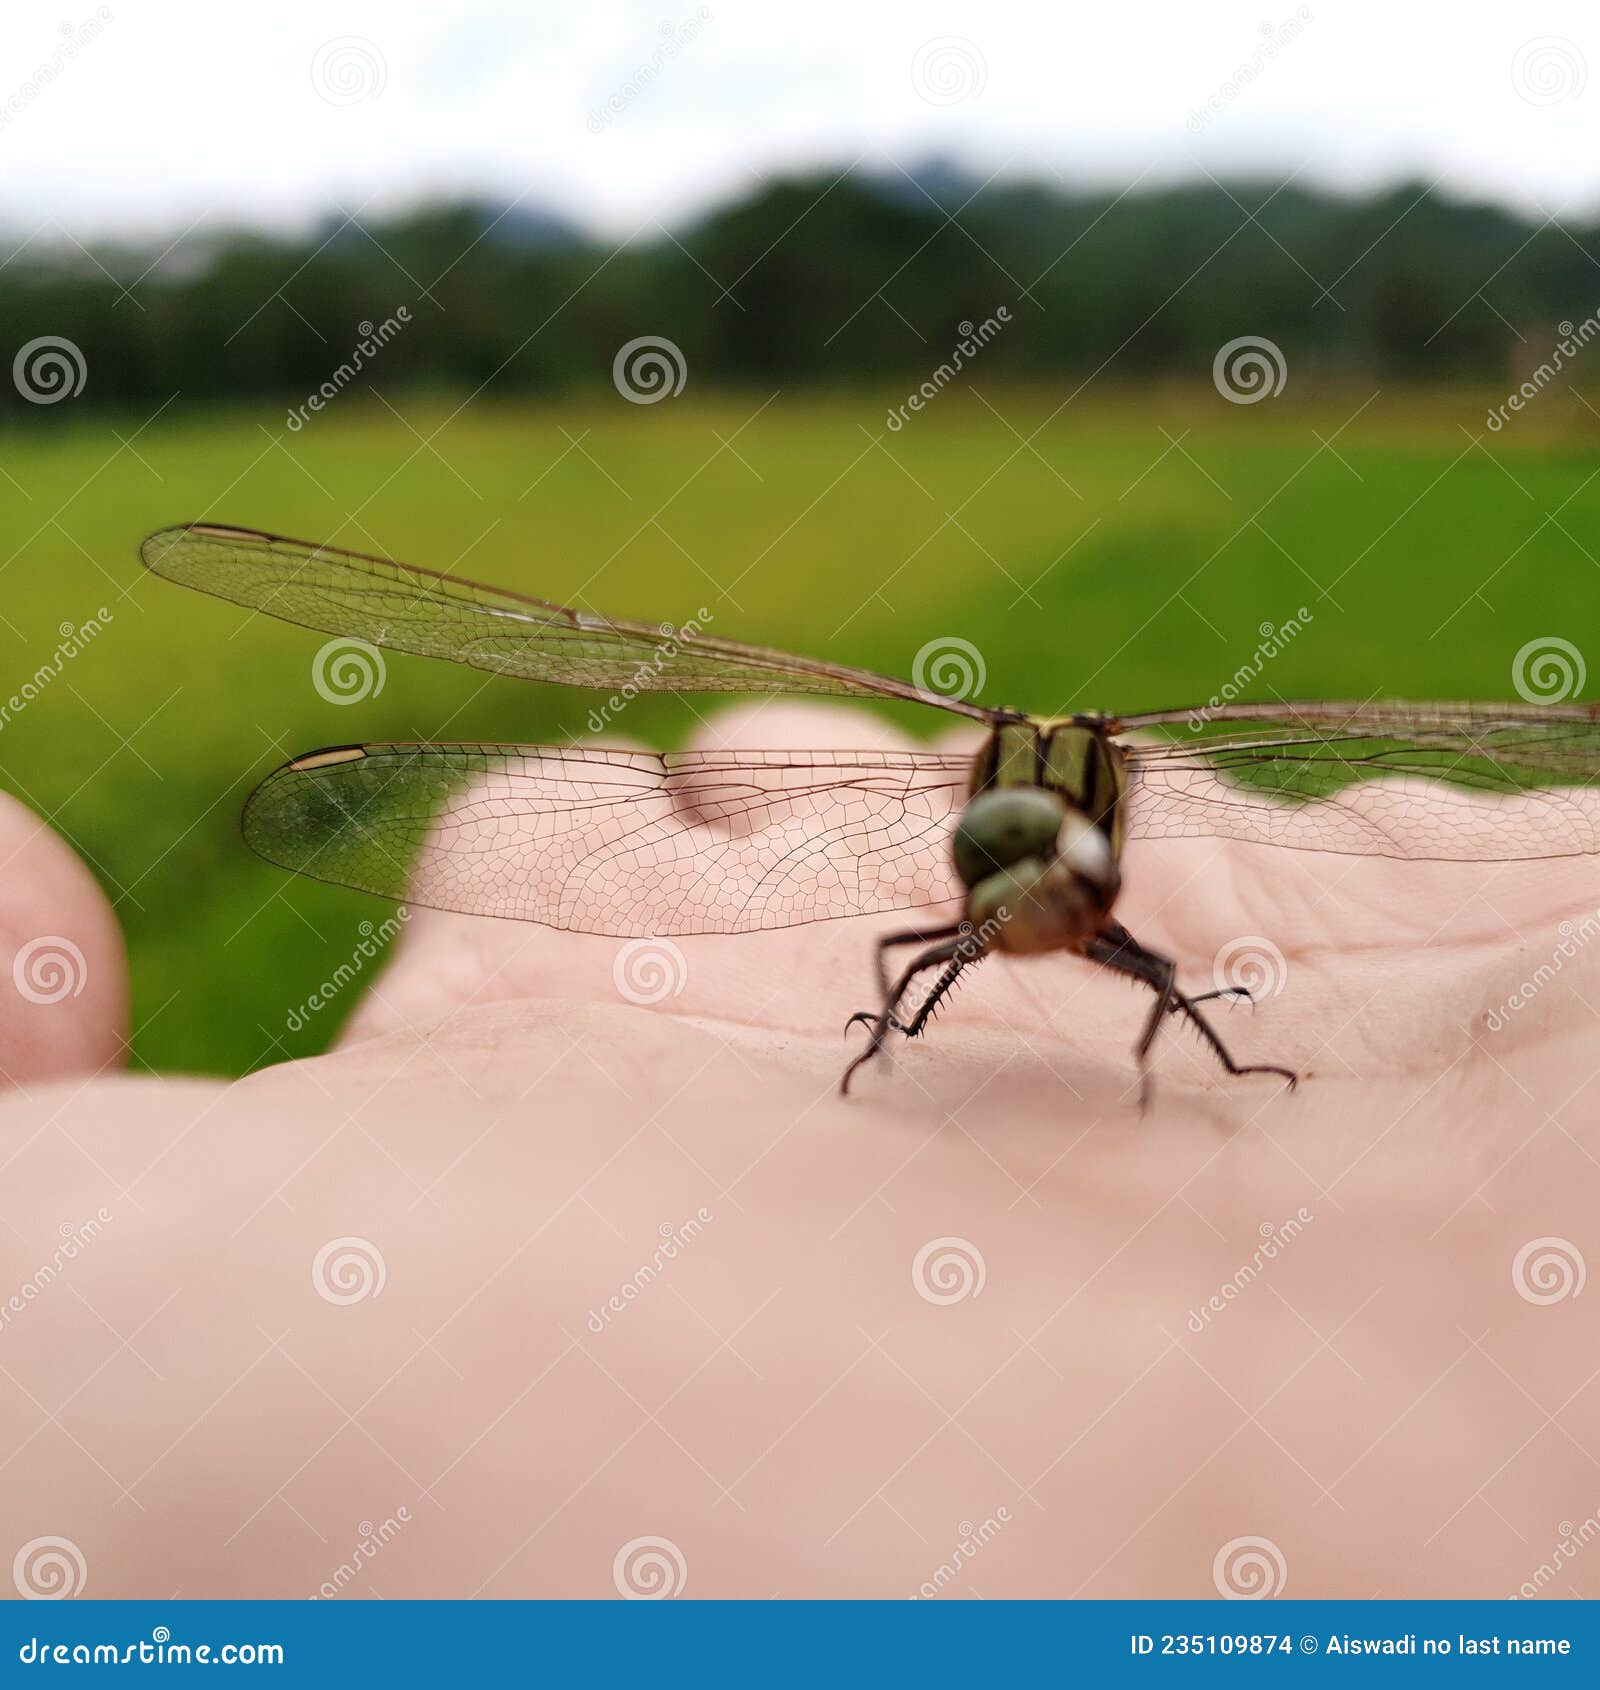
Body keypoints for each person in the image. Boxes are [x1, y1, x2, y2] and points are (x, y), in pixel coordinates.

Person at [1, 702, 1595, 1601]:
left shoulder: (1109, 910)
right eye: (995, 855)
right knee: (918, 975)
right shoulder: (967, 908)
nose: (1021, 888)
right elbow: (931, 951)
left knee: (1161, 1001)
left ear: (1100, 849)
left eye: (1058, 860)